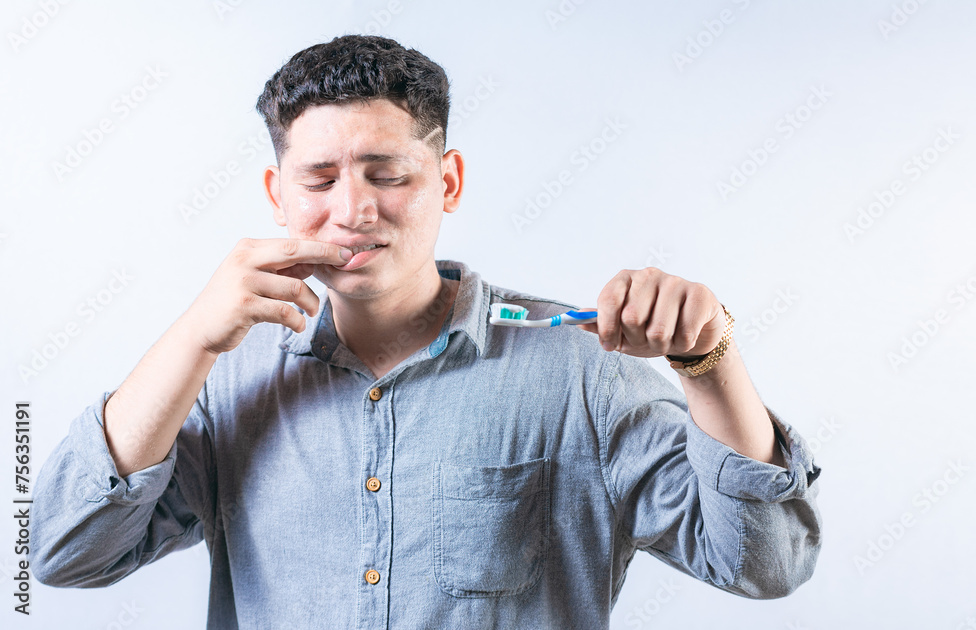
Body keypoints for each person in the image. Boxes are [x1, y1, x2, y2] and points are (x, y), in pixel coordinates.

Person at [31, 34, 822, 629]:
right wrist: (193, 339)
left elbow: (766, 563)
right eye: (320, 179)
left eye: (388, 174)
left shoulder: (580, 372)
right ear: (278, 194)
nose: (353, 210)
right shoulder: (223, 384)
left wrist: (708, 360)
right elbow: (61, 552)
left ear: (446, 183)